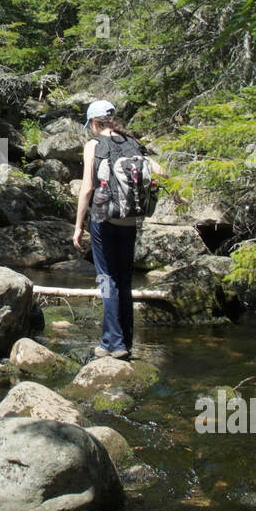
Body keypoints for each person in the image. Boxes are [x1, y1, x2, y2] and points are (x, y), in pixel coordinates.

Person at [73, 99, 156, 360]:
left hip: (103, 220)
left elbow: (87, 188)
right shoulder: (133, 143)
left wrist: (78, 226)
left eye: (91, 125)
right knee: (124, 280)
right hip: (130, 220)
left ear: (95, 123)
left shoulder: (94, 145)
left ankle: (112, 342)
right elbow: (157, 171)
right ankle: (125, 342)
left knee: (107, 280)